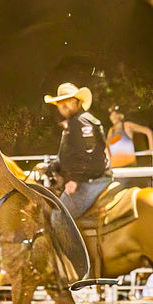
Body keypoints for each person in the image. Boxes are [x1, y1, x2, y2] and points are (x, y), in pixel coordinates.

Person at [43, 82, 112, 220]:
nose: (62, 106)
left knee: (58, 218)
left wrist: (74, 179)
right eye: (59, 103)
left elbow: (88, 153)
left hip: (89, 183)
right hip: (93, 179)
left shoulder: (78, 122)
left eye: (66, 101)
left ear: (76, 102)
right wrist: (51, 167)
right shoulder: (84, 121)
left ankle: (69, 242)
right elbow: (72, 155)